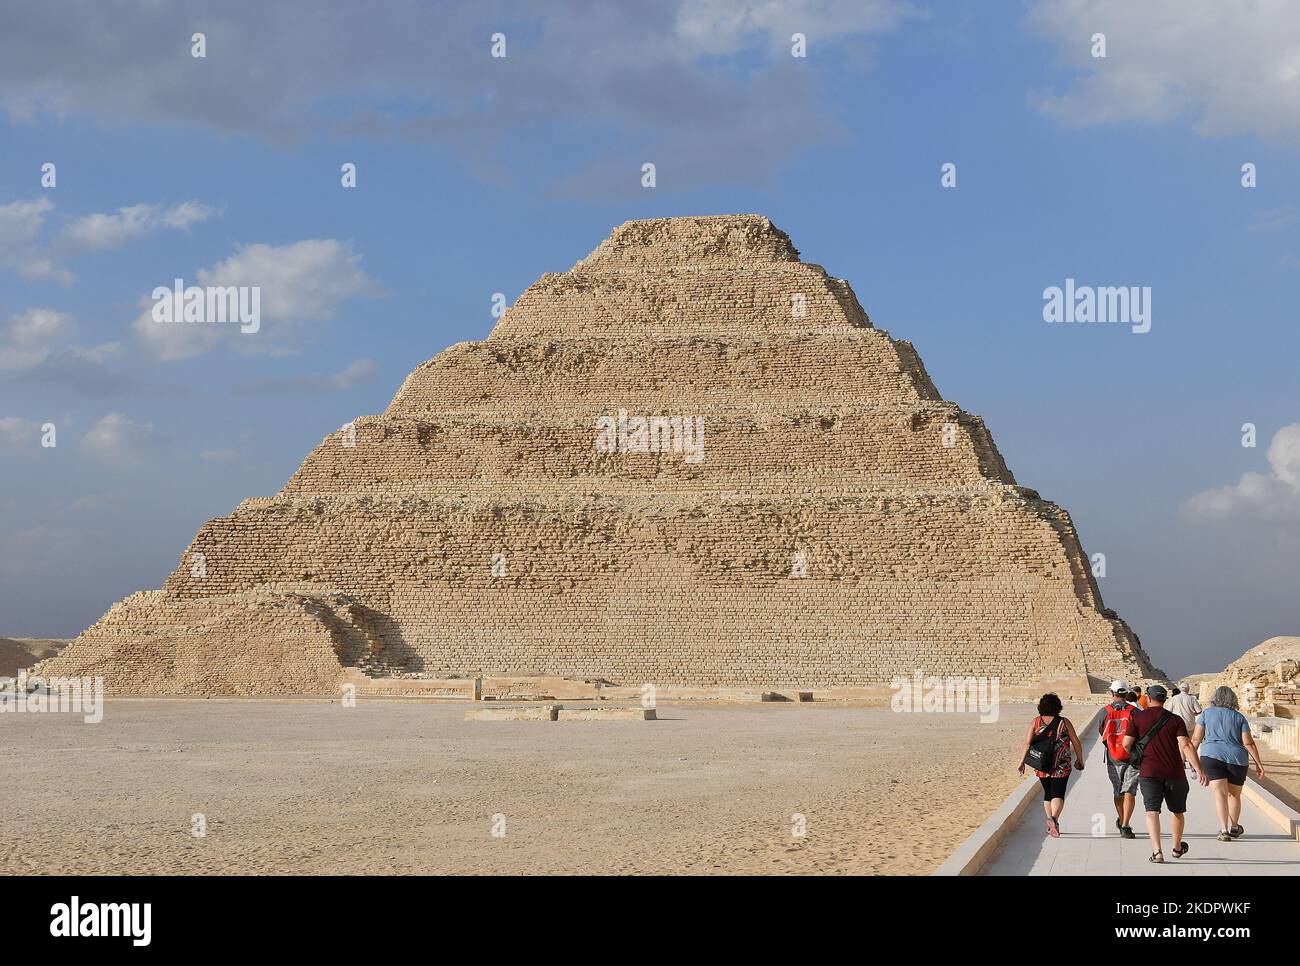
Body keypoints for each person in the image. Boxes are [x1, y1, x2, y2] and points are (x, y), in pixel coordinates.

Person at [1122, 684, 1207, 864]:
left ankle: (1157, 851)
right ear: (1164, 699)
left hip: (1149, 771)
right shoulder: (1175, 720)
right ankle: (1177, 848)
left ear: (1149, 698)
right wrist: (1198, 769)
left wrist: (1135, 752)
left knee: (1152, 811)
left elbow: (1126, 743)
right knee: (1177, 811)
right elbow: (1186, 745)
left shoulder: (1137, 718)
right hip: (1174, 772)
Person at [1192, 686, 1266, 841]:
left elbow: (1196, 739)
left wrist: (1191, 761)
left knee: (1219, 794)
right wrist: (1259, 763)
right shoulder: (1239, 718)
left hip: (1211, 756)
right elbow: (1248, 743)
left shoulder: (1206, 714)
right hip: (1237, 759)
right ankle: (1234, 826)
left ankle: (1224, 830)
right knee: (1234, 795)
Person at [1018, 693, 1085, 838]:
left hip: (1041, 764)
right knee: (1058, 794)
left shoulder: (1035, 722)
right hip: (1061, 764)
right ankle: (1054, 819)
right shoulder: (1064, 722)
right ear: (1058, 707)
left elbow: (1027, 743)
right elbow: (1076, 742)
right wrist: (1080, 760)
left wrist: (1021, 762)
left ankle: (1050, 825)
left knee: (1048, 794)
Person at [1099, 680, 1139, 838]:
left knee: (1117, 791)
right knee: (1130, 791)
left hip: (1112, 757)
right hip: (1132, 757)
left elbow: (1102, 732)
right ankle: (1125, 825)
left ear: (1112, 693)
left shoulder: (1105, 711)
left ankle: (1122, 817)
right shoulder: (1134, 712)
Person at [1167, 684, 1203, 772]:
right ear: (1188, 689)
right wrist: (1192, 713)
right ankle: (1192, 761)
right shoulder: (1191, 699)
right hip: (1189, 724)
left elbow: (1168, 711)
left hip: (1176, 724)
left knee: (1180, 744)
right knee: (1190, 744)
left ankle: (1182, 761)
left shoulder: (1174, 698)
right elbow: (1199, 710)